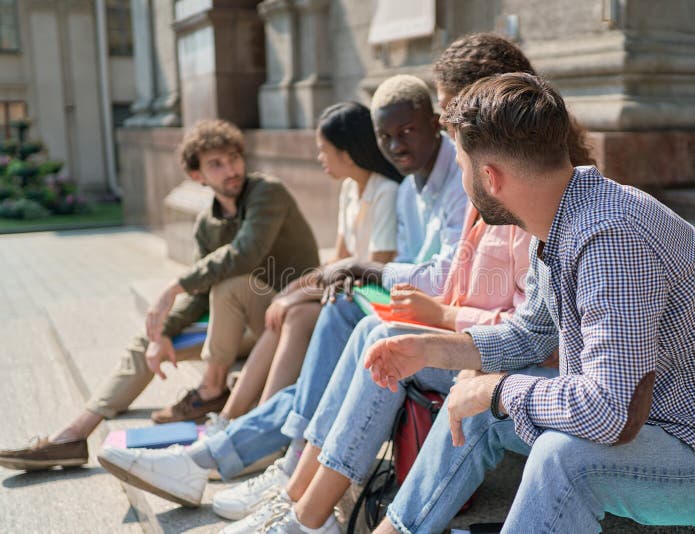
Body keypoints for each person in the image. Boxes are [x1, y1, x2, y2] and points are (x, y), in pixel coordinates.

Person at [366, 73, 695, 533]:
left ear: (489, 178)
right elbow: (529, 336)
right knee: (480, 403)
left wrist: (496, 391)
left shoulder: (610, 240)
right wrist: (430, 350)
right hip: (662, 424)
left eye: (461, 165)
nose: (462, 178)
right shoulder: (560, 215)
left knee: (559, 456)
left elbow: (608, 410)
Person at [220, 31, 593, 534]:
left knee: (398, 346)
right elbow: (476, 289)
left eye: (444, 116)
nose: (441, 132)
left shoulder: (544, 208)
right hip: (503, 351)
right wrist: (427, 317)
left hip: (548, 377)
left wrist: (441, 324)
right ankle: (298, 499)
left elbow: (550, 349)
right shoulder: (496, 195)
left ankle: (303, 512)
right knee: (371, 332)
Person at [95, 75, 468, 507]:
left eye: (407, 132)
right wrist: (320, 284)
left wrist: (346, 278)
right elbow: (374, 267)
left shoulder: (451, 180)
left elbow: (433, 276)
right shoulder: (409, 190)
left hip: (443, 326)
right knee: (328, 328)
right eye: (386, 136)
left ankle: (259, 458)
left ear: (436, 121)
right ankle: (225, 450)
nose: (397, 145)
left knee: (333, 325)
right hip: (395, 310)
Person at [0, 119, 320, 471]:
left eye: (233, 158)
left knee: (234, 284)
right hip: (244, 331)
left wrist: (174, 285)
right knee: (149, 337)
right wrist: (164, 332)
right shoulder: (207, 224)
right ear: (197, 176)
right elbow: (199, 297)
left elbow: (244, 254)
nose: (230, 169)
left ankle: (212, 392)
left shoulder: (267, 193)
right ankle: (73, 435)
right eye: (216, 164)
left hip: (289, 325)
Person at [206, 101, 403, 434]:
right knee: (282, 311)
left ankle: (259, 431)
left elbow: (376, 270)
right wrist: (289, 291)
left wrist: (295, 298)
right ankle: (228, 419)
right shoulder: (349, 190)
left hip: (367, 305)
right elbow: (336, 262)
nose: (320, 159)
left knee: (295, 315)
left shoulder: (387, 192)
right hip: (343, 293)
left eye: (324, 151)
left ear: (348, 152)